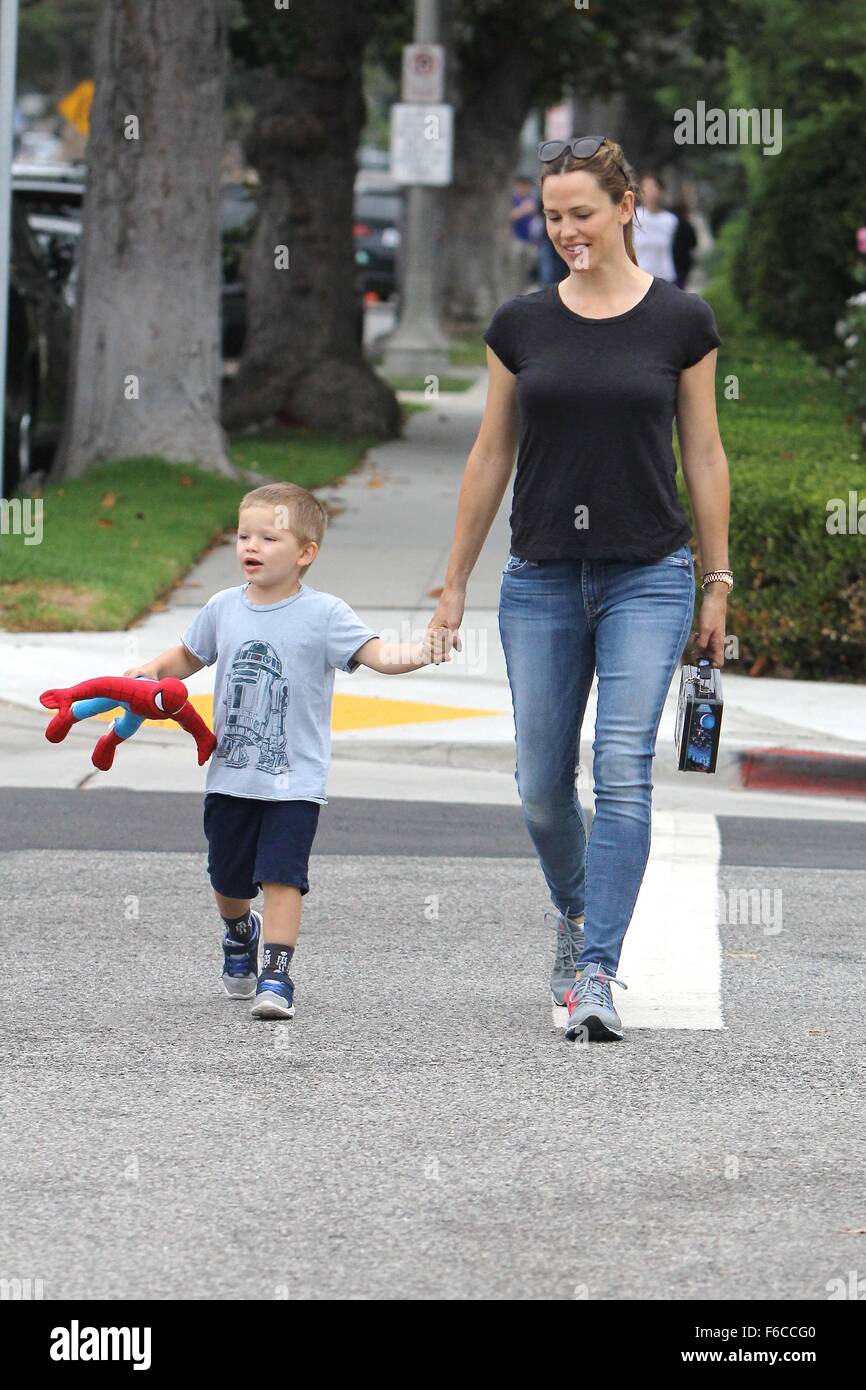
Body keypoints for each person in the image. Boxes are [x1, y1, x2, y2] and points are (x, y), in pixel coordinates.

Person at [426, 135, 731, 1043]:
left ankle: (595, 968)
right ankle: (576, 913)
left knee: (624, 771)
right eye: (553, 216)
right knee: (539, 789)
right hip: (542, 579)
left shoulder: (682, 320)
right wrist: (452, 584)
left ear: (627, 207)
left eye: (583, 213)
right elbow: (490, 455)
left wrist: (716, 581)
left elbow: (704, 455)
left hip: (650, 574)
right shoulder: (522, 324)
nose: (567, 232)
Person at [124, 482, 453, 1021]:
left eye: (268, 537)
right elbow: (189, 653)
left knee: (282, 875)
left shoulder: (325, 614)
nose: (250, 546)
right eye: (243, 534)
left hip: (294, 781)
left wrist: (422, 650)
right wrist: (155, 671)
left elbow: (379, 655)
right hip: (231, 775)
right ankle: (238, 932)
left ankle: (276, 974)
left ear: (305, 554)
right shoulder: (223, 607)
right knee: (228, 880)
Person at [632, 172, 678, 282]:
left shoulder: (670, 220)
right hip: (639, 279)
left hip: (665, 279)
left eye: (654, 187)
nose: (650, 192)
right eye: (646, 187)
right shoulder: (632, 217)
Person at [509, 175, 540, 289]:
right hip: (516, 239)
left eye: (527, 186)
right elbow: (509, 217)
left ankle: (524, 287)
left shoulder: (532, 200)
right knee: (516, 266)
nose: (525, 188)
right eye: (523, 185)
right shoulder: (513, 200)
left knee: (529, 267)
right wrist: (523, 209)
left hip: (531, 240)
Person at [672, 195, 699, 290]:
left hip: (671, 263)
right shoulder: (687, 225)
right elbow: (694, 243)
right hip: (683, 264)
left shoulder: (671, 224)